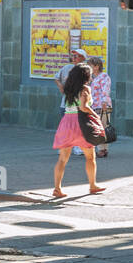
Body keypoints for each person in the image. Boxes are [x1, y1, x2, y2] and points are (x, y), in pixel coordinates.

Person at [52, 63, 106, 198]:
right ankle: (92, 185)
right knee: (90, 157)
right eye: (90, 73)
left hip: (67, 122)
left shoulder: (69, 88)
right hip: (81, 124)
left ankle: (57, 188)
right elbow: (83, 107)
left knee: (62, 159)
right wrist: (94, 115)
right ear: (85, 76)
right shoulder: (85, 89)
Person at [88, 56, 113, 157]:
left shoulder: (104, 76)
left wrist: (104, 102)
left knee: (102, 127)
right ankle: (102, 149)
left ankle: (102, 150)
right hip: (94, 105)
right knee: (98, 128)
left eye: (90, 66)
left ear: (97, 66)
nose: (88, 68)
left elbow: (105, 90)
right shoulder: (92, 77)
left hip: (102, 105)